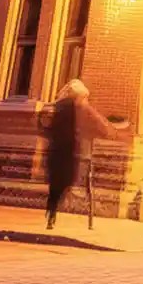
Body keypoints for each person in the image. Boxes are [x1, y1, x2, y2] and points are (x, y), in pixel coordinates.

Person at [44, 79, 112, 230]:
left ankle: (52, 213)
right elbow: (104, 129)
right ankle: (63, 211)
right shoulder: (84, 110)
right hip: (79, 155)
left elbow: (46, 127)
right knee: (77, 185)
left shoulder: (58, 108)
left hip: (58, 154)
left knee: (57, 186)